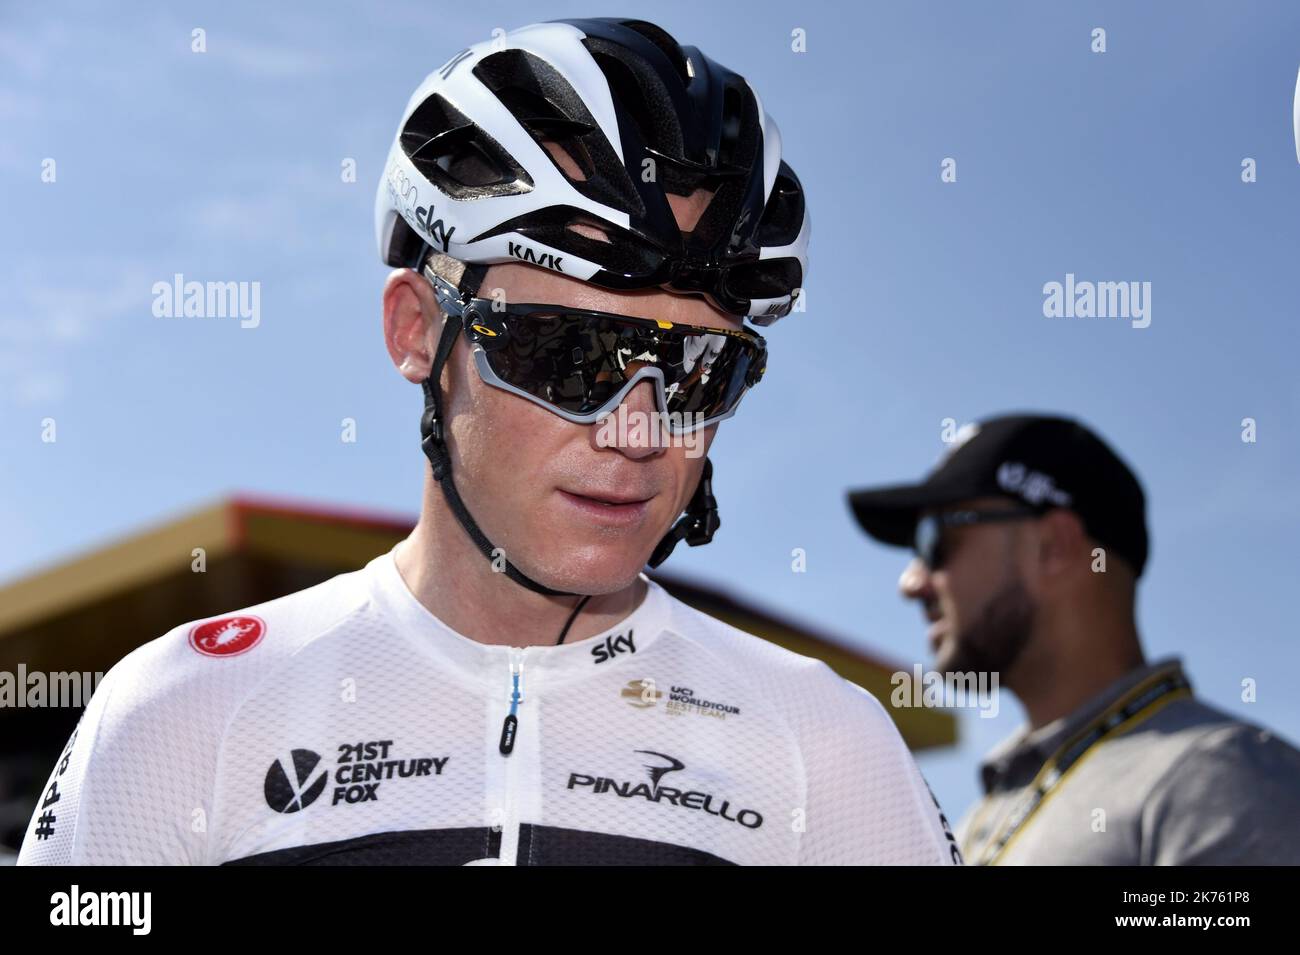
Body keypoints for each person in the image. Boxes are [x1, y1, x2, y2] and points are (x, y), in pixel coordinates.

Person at [18, 18, 959, 866]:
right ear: (417, 331)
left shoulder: (826, 746)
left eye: (703, 372)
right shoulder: (180, 714)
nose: (638, 429)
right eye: (569, 352)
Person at [847, 413, 1300, 865]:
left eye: (935, 541)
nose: (911, 583)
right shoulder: (979, 818)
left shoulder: (1222, 780)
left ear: (1054, 546)